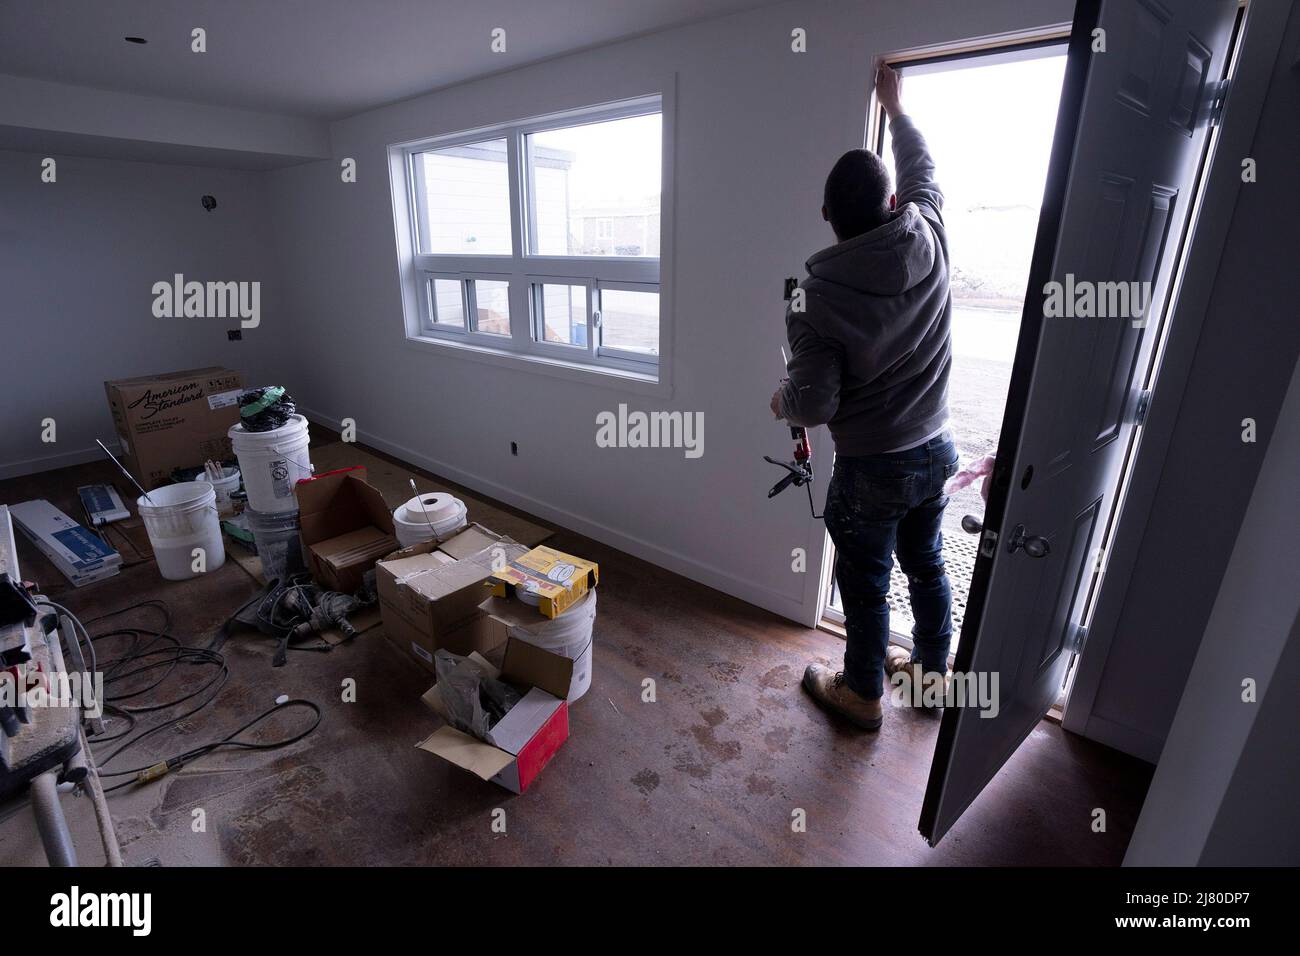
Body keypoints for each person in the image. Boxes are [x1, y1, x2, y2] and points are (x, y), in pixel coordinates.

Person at [770, 63, 958, 731]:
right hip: (937, 449)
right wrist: (897, 109)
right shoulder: (927, 232)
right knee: (927, 562)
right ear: (890, 203)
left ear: (826, 217)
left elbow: (815, 402)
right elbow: (923, 169)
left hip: (875, 464)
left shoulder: (813, 296)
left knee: (866, 578)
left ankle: (861, 695)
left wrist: (782, 401)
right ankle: (934, 679)